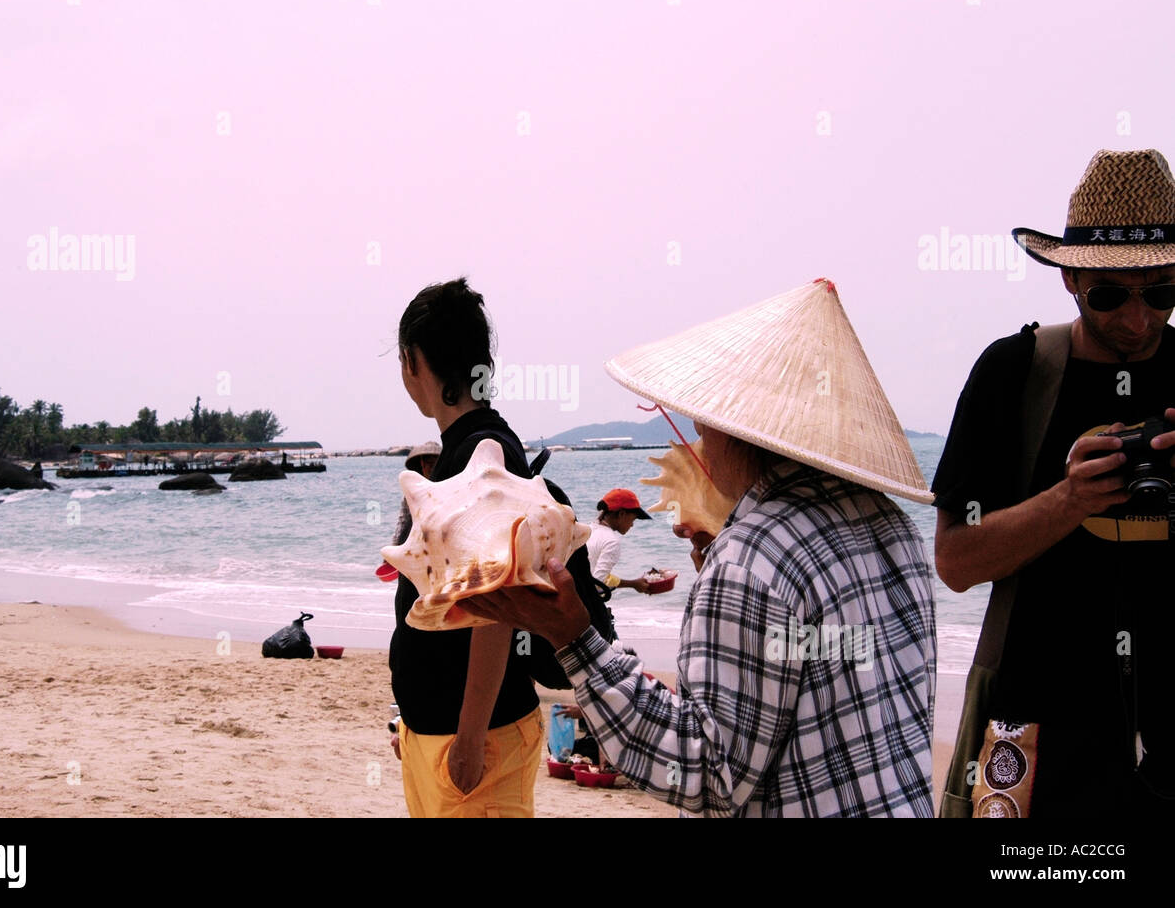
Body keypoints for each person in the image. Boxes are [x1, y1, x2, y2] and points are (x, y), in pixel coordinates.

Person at [462, 279, 937, 816]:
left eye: (707, 427)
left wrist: (575, 640)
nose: (702, 444)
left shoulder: (750, 561)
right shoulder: (895, 528)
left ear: (741, 431)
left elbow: (706, 771)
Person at [933, 148, 1175, 818]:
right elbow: (956, 562)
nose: (1137, 320)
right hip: (1035, 729)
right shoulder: (1015, 373)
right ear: (1069, 277)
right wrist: (1070, 500)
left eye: (1161, 292)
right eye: (1109, 295)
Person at [388, 278, 544, 818]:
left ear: (414, 361)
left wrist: (470, 738)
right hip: (440, 730)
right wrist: (413, 719)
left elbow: (496, 606)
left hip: (477, 740)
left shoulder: (485, 451)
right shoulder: (468, 448)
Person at [586, 489, 652, 594]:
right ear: (622, 514)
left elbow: (592, 575)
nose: (632, 525)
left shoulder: (587, 529)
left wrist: (633, 584)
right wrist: (633, 584)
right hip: (585, 599)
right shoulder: (611, 541)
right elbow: (598, 584)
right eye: (633, 519)